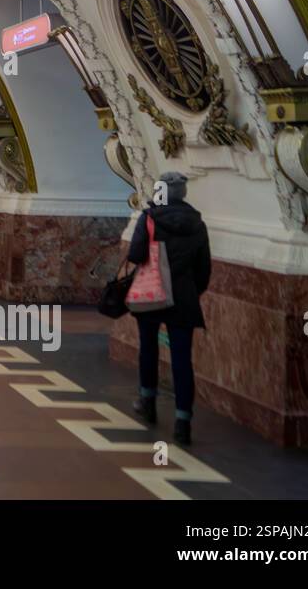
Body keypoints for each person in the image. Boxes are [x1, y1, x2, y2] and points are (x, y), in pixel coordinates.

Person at [126, 171, 211, 445]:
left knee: (148, 348)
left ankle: (147, 401)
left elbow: (135, 255)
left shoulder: (149, 218)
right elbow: (203, 268)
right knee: (182, 360)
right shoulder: (197, 223)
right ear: (183, 193)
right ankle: (183, 421)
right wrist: (190, 290)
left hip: (151, 293)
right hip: (184, 297)